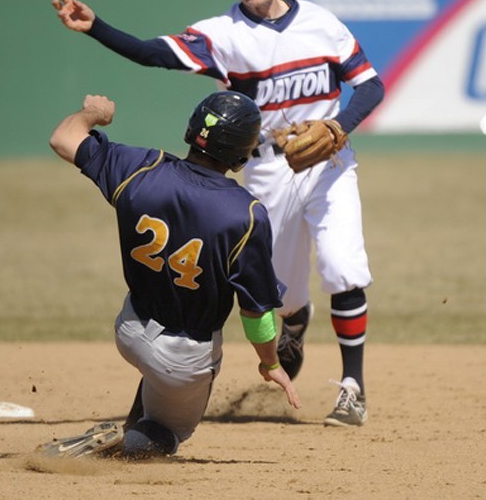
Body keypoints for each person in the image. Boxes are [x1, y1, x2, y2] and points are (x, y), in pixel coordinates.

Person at [52, 0, 383, 427]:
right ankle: (296, 320)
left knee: (343, 266)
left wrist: (339, 128)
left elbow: (371, 86)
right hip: (268, 169)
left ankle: (352, 388)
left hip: (330, 165)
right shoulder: (222, 35)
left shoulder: (321, 23)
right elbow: (150, 53)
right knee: (283, 293)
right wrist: (95, 26)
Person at [41, 90, 300, 459]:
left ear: (192, 129)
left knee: (157, 375)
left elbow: (63, 139)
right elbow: (255, 313)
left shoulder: (141, 167)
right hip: (182, 358)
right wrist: (270, 363)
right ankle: (113, 445)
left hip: (130, 328)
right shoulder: (245, 214)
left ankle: (133, 422)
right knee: (167, 433)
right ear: (242, 155)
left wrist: (92, 113)